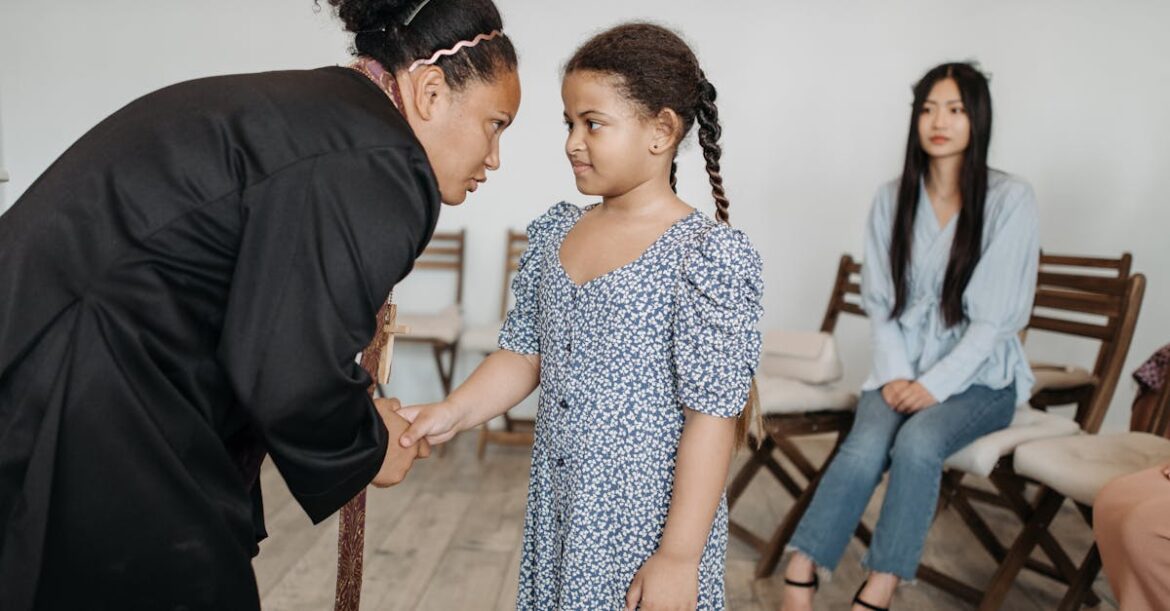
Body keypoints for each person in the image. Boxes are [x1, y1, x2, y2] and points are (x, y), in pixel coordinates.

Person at [0, 0, 519, 608]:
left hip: (66, 346)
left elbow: (274, 319)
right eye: (495, 124)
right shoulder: (381, 160)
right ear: (430, 91)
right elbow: (286, 363)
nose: (495, 159)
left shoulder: (332, 117)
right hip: (87, 376)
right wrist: (370, 446)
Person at [396, 22, 763, 611]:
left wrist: (679, 556)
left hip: (647, 526)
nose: (572, 141)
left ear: (661, 131)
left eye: (592, 123)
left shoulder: (706, 256)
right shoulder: (556, 234)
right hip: (563, 513)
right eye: (568, 122)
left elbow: (713, 419)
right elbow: (522, 354)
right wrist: (450, 412)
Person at [781, 62, 1040, 611]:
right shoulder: (891, 197)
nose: (938, 121)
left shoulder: (1009, 200)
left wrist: (935, 386)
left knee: (918, 442)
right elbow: (881, 305)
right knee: (865, 443)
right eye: (927, 109)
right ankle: (800, 567)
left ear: (978, 118)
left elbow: (994, 322)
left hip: (980, 380)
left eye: (955, 109)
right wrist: (899, 376)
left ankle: (880, 586)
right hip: (900, 372)